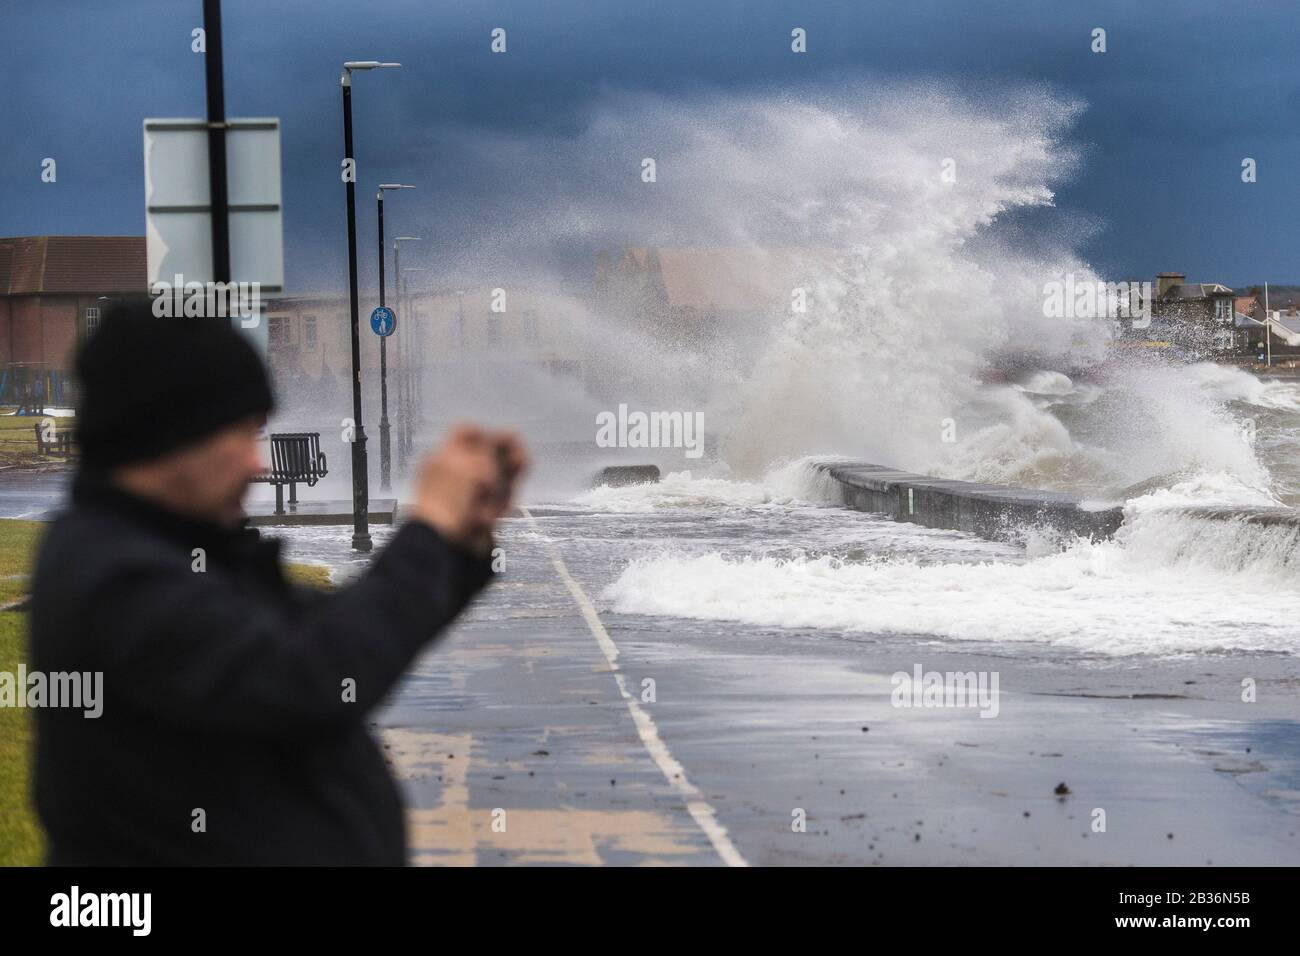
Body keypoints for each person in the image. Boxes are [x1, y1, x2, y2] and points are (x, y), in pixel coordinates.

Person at [30, 297, 527, 865]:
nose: (257, 464)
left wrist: (460, 543)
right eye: (240, 434)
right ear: (169, 436)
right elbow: (309, 677)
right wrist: (428, 530)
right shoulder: (115, 576)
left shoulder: (180, 548)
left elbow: (329, 632)